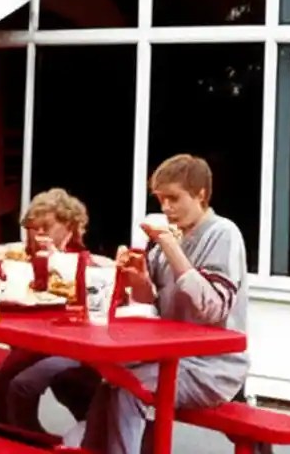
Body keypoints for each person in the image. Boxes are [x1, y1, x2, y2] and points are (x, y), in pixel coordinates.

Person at [82, 154, 250, 454]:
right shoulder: (164, 242)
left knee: (128, 387)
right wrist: (138, 279)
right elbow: (153, 308)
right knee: (109, 381)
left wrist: (171, 247)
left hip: (212, 366)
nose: (166, 209)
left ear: (200, 195)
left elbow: (213, 307)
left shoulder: (223, 233)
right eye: (161, 200)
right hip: (169, 357)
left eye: (173, 198)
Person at [0, 188, 96, 433]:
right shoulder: (21, 259)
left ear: (70, 227)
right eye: (32, 227)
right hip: (32, 342)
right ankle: (18, 440)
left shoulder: (81, 261)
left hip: (67, 345)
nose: (38, 235)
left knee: (16, 386)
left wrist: (55, 262)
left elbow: (82, 296)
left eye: (46, 227)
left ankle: (30, 442)